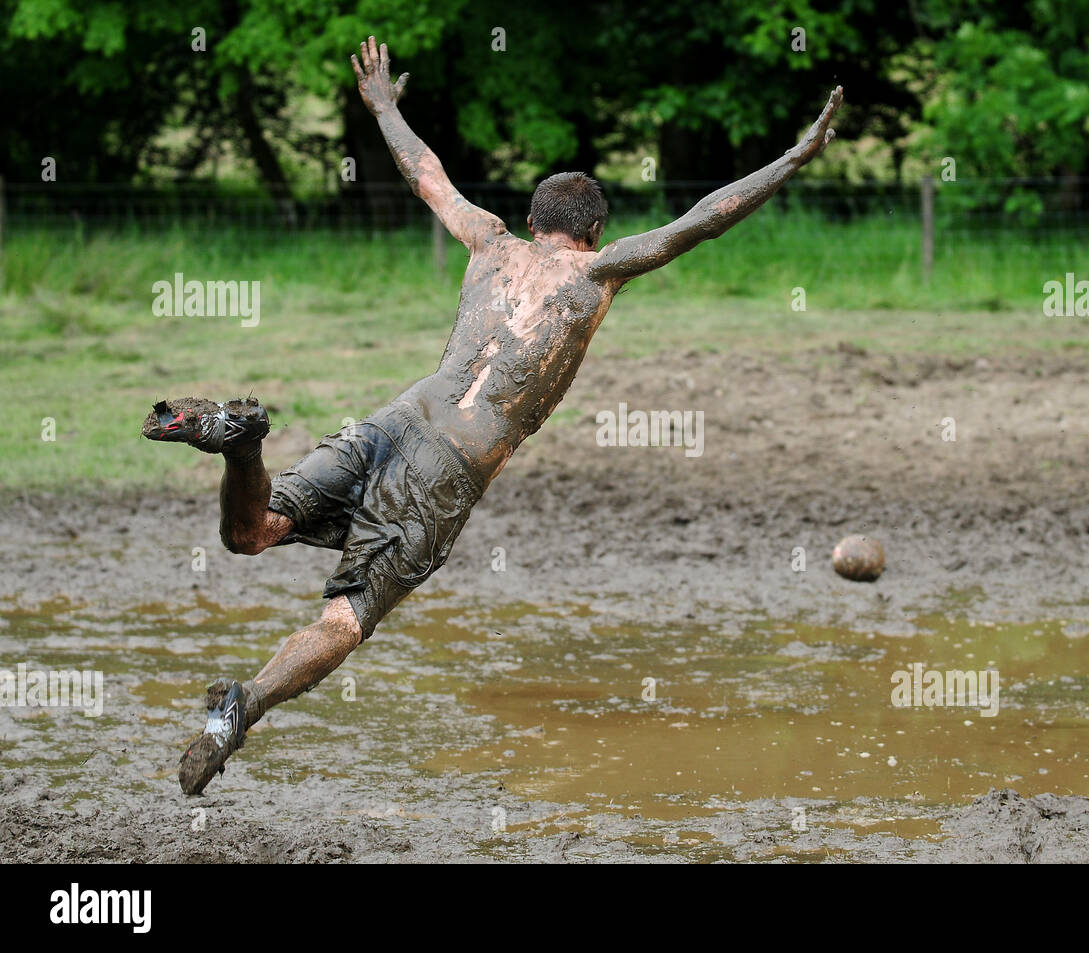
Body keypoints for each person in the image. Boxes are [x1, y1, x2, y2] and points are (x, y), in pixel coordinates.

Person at [144, 36, 843, 794]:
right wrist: (794, 159)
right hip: (447, 468)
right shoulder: (599, 272)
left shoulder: (487, 239)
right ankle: (235, 713)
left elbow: (426, 174)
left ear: (534, 217)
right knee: (343, 621)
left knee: (254, 532)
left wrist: (382, 106)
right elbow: (703, 218)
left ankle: (243, 449)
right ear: (594, 231)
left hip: (395, 417)